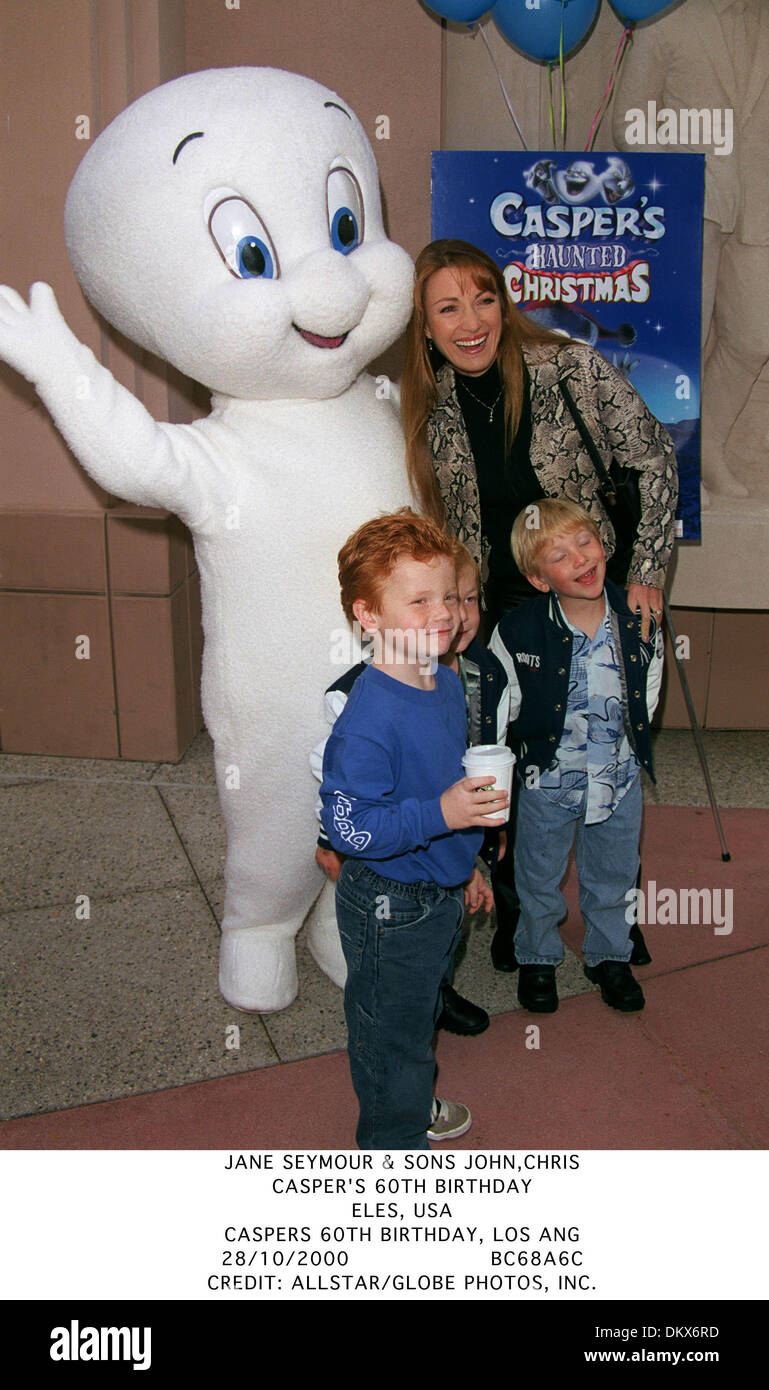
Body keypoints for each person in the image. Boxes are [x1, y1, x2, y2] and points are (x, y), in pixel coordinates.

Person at [400, 238, 676, 968]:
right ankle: (523, 916)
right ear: (423, 326)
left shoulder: (568, 370)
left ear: (503, 302)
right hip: (498, 614)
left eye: (483, 299)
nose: (470, 321)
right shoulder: (428, 405)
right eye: (447, 307)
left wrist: (644, 570)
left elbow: (653, 457)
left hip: (589, 599)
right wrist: (454, 609)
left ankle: (614, 918)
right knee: (510, 762)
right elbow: (448, 522)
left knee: (602, 749)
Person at [319, 509, 507, 1149]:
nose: (445, 613)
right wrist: (443, 818)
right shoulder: (366, 721)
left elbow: (440, 786)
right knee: (391, 1035)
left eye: (450, 596)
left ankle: (410, 1104)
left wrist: (468, 861)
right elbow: (350, 829)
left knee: (418, 1011)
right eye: (420, 600)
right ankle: (391, 1146)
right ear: (367, 617)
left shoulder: (444, 682)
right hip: (389, 904)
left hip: (436, 889)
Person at [489, 499, 663, 1014]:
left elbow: (649, 681)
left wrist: (634, 738)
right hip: (547, 782)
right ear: (540, 579)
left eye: (585, 541)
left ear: (602, 540)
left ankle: (610, 954)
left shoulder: (638, 616)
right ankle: (538, 956)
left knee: (613, 872)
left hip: (618, 777)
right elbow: (501, 708)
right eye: (559, 555)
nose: (581, 559)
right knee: (537, 875)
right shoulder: (517, 631)